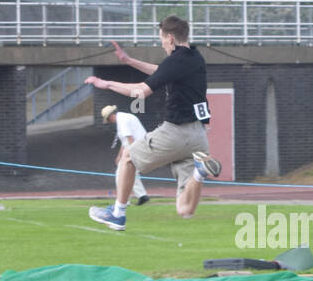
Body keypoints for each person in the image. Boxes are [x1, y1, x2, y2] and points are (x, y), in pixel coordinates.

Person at [84, 15, 220, 230]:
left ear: (171, 39)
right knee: (185, 210)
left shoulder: (176, 60)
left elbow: (142, 91)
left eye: (162, 40)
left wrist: (107, 83)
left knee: (127, 157)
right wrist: (129, 62)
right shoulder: (195, 57)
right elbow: (161, 71)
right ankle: (199, 171)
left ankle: (118, 214)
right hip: (199, 137)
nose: (162, 44)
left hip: (177, 132)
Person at [101, 103, 150, 205]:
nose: (110, 122)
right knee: (131, 173)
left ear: (110, 116)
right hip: (140, 146)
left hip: (138, 148)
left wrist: (130, 154)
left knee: (121, 173)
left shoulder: (122, 121)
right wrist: (120, 156)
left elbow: (129, 139)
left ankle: (123, 200)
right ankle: (142, 196)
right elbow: (125, 141)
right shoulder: (123, 118)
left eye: (108, 120)